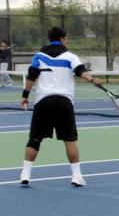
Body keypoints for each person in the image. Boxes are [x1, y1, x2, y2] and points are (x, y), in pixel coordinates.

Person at [18, 27, 100, 187]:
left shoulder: (39, 56)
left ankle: (25, 174)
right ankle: (77, 176)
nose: (67, 40)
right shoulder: (70, 57)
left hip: (43, 102)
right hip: (64, 102)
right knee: (70, 140)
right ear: (62, 38)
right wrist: (92, 80)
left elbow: (31, 77)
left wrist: (24, 97)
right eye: (67, 37)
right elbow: (81, 71)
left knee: (35, 139)